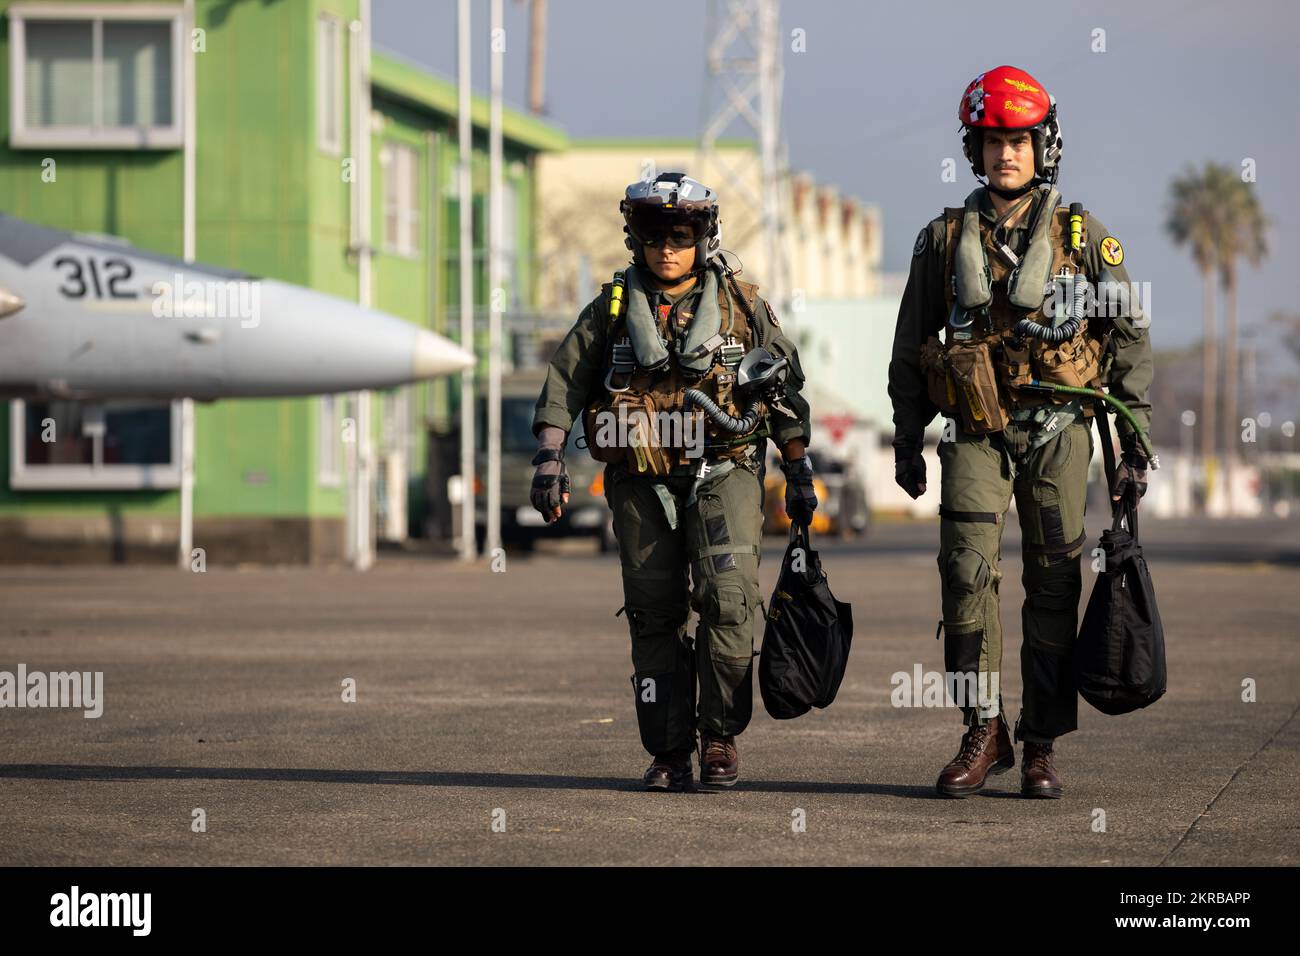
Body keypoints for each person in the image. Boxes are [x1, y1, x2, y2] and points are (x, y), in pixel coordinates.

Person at [887, 66, 1153, 799]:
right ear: (974, 149)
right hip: (975, 432)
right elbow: (911, 345)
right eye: (993, 140)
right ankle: (983, 729)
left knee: (1053, 584)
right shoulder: (940, 240)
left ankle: (1040, 741)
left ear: (1045, 145)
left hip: (1060, 431)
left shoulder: (1083, 237)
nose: (1007, 153)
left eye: (1020, 140)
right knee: (965, 573)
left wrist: (1135, 446)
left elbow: (1128, 336)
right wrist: (908, 438)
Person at [530, 172, 814, 790]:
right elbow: (565, 383)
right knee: (654, 614)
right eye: (656, 235)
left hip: (727, 470)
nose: (668, 249)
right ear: (636, 238)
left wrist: (797, 467)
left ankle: (719, 738)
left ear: (703, 237)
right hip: (640, 481)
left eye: (681, 236)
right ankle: (667, 750)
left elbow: (784, 387)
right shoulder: (609, 310)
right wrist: (550, 459)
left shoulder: (743, 306)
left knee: (729, 600)